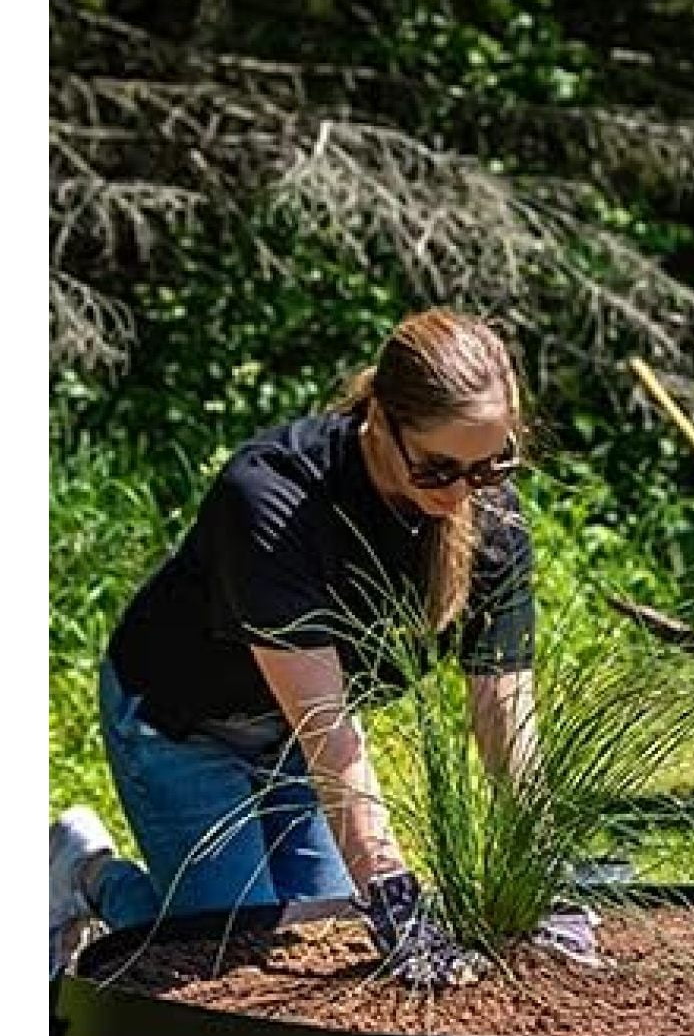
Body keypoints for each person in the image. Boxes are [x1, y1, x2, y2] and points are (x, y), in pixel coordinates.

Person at [49, 308, 549, 988]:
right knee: (229, 951)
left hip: (287, 734)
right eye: (438, 470)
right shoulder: (273, 500)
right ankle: (86, 871)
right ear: (381, 420)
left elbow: (504, 714)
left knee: (324, 933)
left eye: (491, 465)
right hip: (181, 724)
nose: (465, 492)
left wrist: (542, 876)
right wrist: (399, 906)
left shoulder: (490, 516)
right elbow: (329, 736)